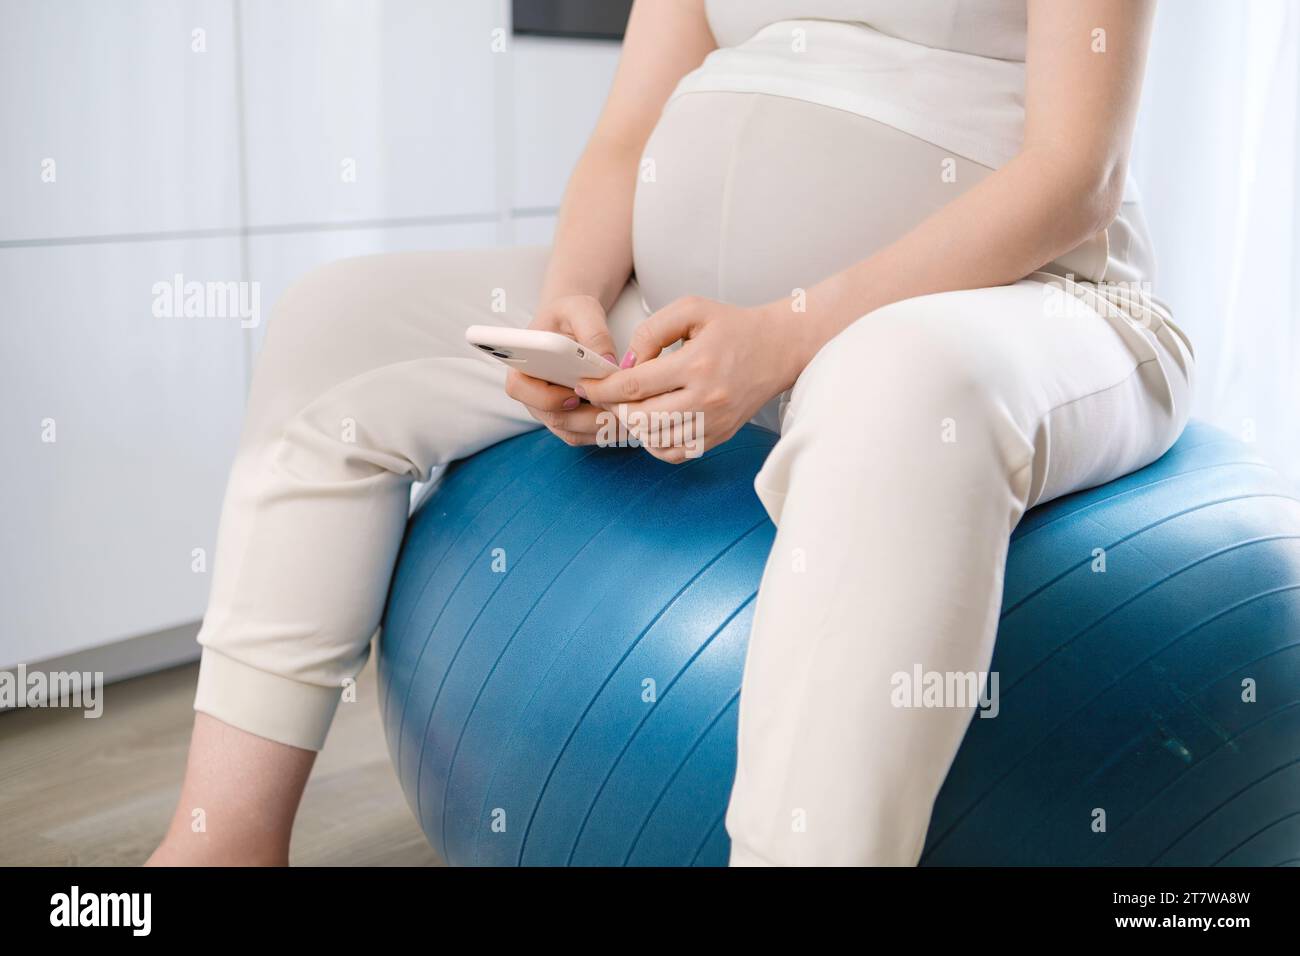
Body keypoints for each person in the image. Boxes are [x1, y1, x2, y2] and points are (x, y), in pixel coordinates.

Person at [149, 0, 1193, 866]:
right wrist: (572, 303)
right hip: (703, 317)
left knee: (899, 382)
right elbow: (625, 134)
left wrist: (789, 333)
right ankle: (223, 843)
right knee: (334, 323)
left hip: (1027, 301)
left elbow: (1074, 173)